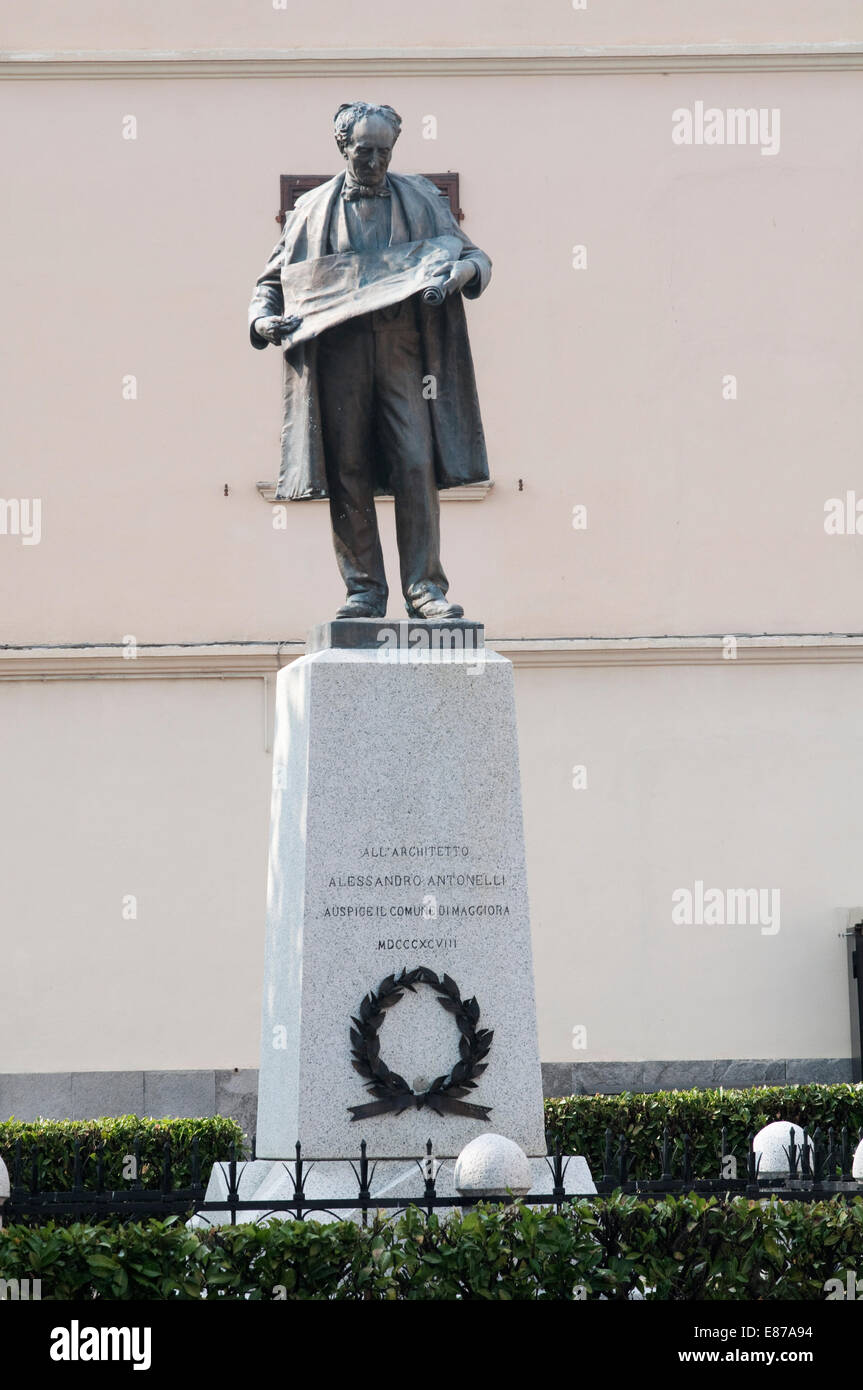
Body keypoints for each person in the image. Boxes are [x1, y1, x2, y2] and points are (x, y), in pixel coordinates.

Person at [249, 101, 492, 620]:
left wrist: (459, 277)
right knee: (348, 467)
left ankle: (426, 589)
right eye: (364, 152)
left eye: (384, 152)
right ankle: (363, 590)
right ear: (343, 147)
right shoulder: (311, 209)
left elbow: (475, 257)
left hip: (405, 351)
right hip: (340, 353)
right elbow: (271, 283)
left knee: (415, 463)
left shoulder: (423, 198)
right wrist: (262, 321)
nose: (375, 163)